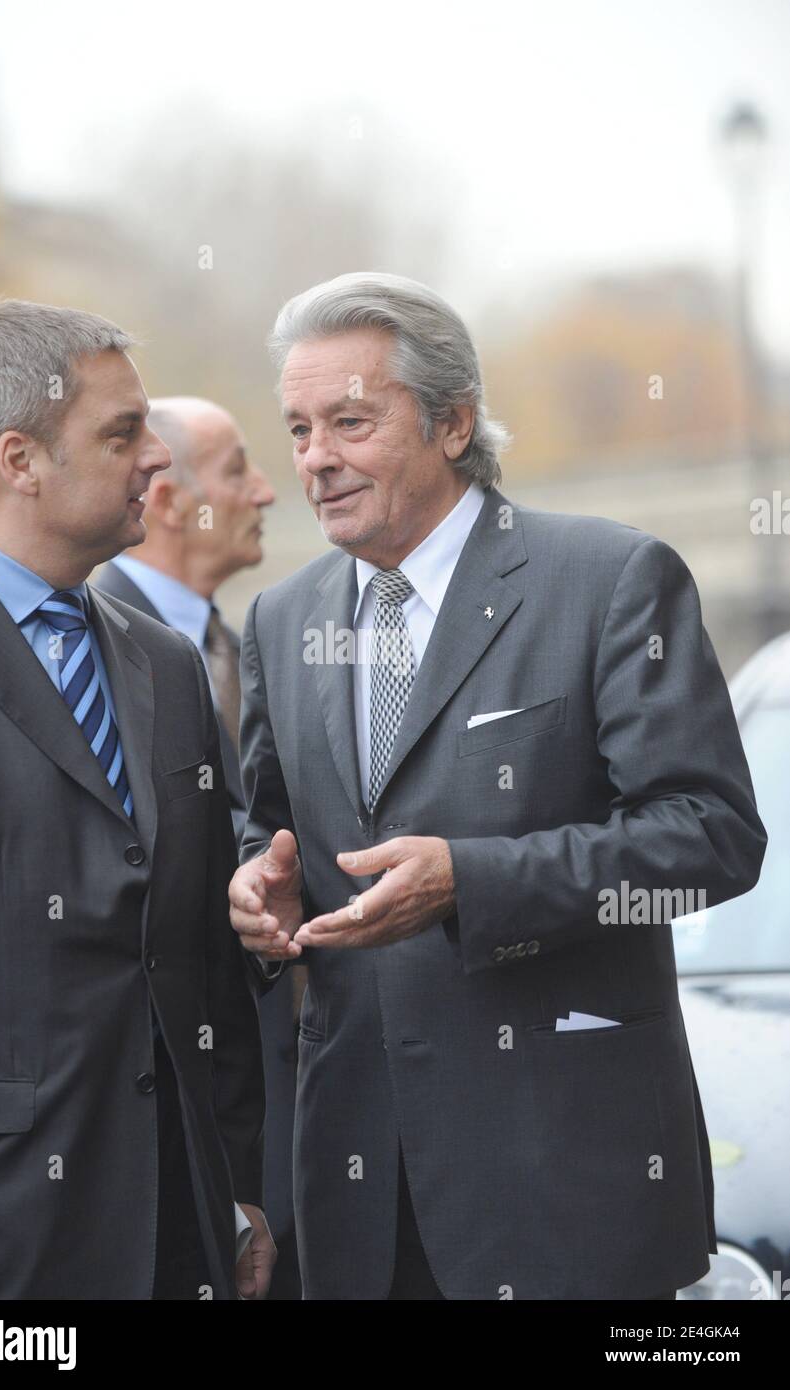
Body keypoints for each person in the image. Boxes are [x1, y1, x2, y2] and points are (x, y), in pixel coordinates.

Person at [229, 271, 767, 1301]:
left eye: (349, 421)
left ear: (452, 422)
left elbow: (710, 834)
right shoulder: (280, 621)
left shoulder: (608, 580)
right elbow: (270, 835)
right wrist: (256, 890)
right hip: (357, 1204)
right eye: (297, 430)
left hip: (563, 1189)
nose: (315, 460)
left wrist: (472, 883)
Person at [0, 300, 272, 1300]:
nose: (154, 459)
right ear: (20, 458)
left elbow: (205, 964)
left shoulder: (166, 663)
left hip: (184, 1222)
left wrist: (239, 1189)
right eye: (122, 434)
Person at [96, 398, 301, 1298]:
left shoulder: (244, 643)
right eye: (236, 470)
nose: (267, 489)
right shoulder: (94, 654)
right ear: (171, 500)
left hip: (266, 1121)